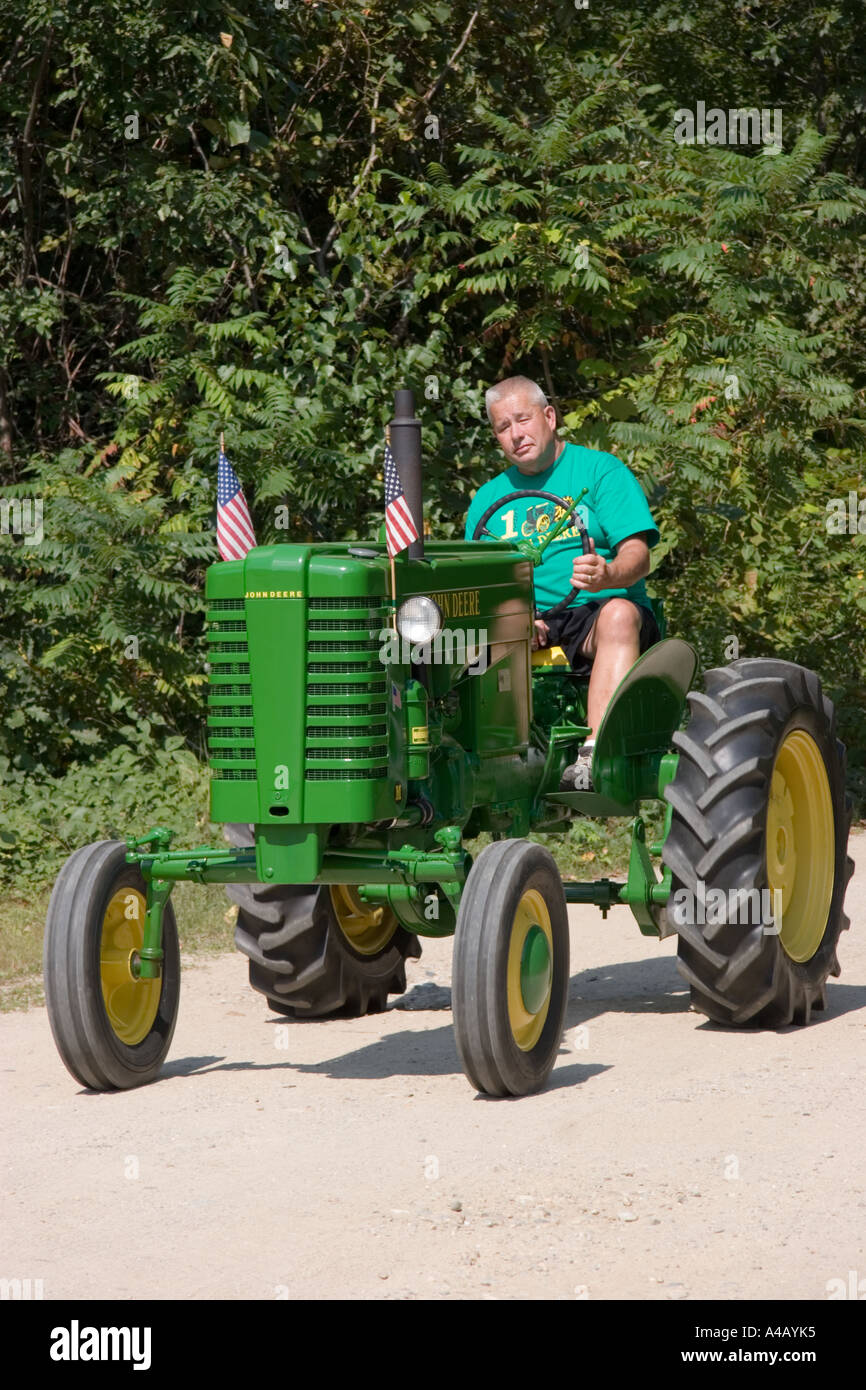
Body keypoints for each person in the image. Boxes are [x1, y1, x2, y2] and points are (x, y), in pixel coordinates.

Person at [464, 375, 661, 791]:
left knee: (620, 614)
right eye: (503, 427)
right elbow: (479, 584)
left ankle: (595, 752)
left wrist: (607, 574)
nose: (516, 435)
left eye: (523, 419)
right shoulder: (487, 500)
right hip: (528, 624)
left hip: (596, 615)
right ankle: (472, 764)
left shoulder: (600, 471)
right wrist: (516, 618)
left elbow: (638, 556)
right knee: (446, 637)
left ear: (549, 417)